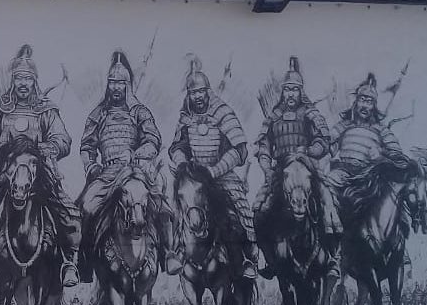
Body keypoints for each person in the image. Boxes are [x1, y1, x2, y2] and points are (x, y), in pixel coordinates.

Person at [0, 44, 81, 290]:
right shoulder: (0, 109)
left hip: (40, 173)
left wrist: (49, 147)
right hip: (5, 174)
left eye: (28, 78)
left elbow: (63, 139)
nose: (23, 83)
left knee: (69, 213)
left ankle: (69, 262)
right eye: (19, 78)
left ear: (34, 80)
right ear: (13, 80)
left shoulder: (46, 109)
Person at [78, 49, 176, 279]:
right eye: (112, 82)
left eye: (120, 83)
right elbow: (87, 146)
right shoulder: (98, 114)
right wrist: (91, 166)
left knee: (163, 208)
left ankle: (168, 254)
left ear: (128, 85)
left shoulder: (139, 112)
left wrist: (135, 154)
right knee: (86, 207)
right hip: (107, 174)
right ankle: (84, 261)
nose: (116, 88)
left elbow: (153, 140)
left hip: (135, 173)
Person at [168, 55, 259, 278]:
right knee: (176, 206)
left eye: (201, 92)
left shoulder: (222, 112)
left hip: (221, 175)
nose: (197, 97)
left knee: (240, 210)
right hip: (194, 175)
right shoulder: (186, 116)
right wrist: (182, 164)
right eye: (193, 93)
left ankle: (246, 258)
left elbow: (239, 150)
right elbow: (177, 146)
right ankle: (176, 252)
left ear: (208, 91)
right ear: (188, 95)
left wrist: (214, 170)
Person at [252, 56, 341, 279]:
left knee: (329, 202)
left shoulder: (310, 114)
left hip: (307, 167)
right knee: (260, 210)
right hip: (281, 171)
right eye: (287, 89)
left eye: (295, 89)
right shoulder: (274, 116)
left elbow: (323, 140)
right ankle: (270, 260)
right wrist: (266, 166)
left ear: (301, 91)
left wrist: (309, 151)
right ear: (282, 92)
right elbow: (263, 145)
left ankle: (332, 258)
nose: (291, 94)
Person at [329, 72, 411, 274]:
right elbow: (325, 141)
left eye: (370, 102)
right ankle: (333, 246)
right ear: (355, 103)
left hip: (369, 176)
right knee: (325, 188)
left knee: (394, 197)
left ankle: (400, 247)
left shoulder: (381, 130)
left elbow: (398, 155)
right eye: (362, 100)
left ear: (374, 106)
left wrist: (382, 155)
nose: (365, 105)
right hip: (343, 173)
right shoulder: (343, 126)